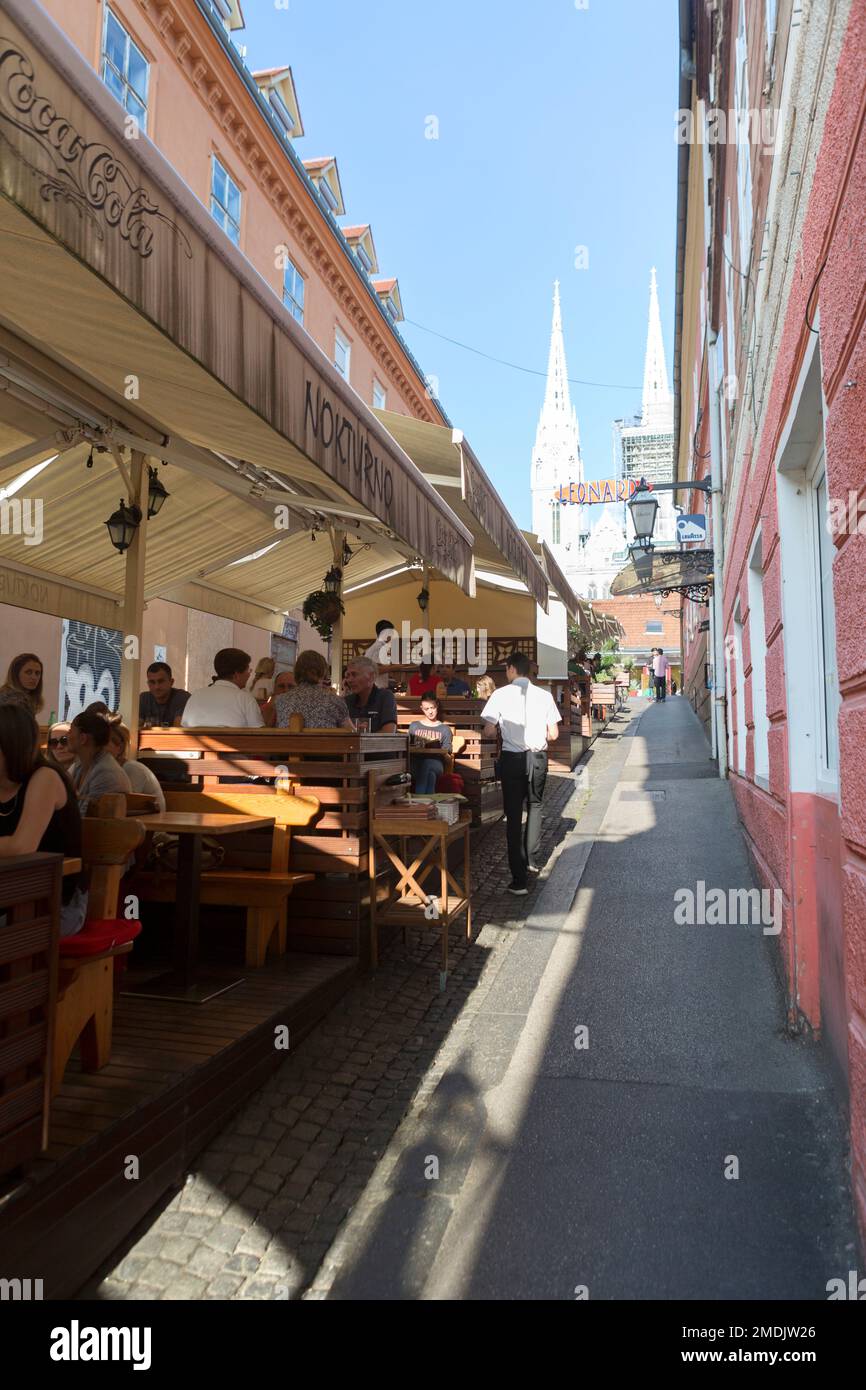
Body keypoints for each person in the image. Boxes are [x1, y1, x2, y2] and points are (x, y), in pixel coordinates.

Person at [0, 702, 87, 936]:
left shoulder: (44, 777)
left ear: (10, 746)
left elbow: (22, 845)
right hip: (12, 897)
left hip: (55, 903)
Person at [481, 651, 562, 895]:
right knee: (535, 806)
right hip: (537, 758)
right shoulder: (545, 695)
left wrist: (500, 730)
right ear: (529, 670)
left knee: (513, 814)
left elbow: (487, 730)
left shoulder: (499, 694)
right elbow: (554, 734)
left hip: (512, 759)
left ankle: (519, 879)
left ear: (511, 669)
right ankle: (532, 859)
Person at [68, 708, 132, 815]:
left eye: (71, 730)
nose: (67, 735)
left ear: (83, 739)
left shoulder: (105, 773)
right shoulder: (79, 767)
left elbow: (85, 818)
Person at [271, 650, 353, 730]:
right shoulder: (334, 701)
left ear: (296, 672)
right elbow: (351, 734)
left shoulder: (280, 700)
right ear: (323, 672)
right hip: (323, 743)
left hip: (288, 743)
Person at [181, 649, 264, 728]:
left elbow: (184, 727)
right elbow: (260, 735)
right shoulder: (245, 699)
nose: (249, 674)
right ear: (236, 674)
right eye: (248, 670)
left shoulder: (196, 695)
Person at [107, 720, 166, 811]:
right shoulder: (111, 769)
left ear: (120, 747)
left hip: (153, 820)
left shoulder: (131, 768)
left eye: (104, 743)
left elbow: (128, 804)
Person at [408, 695, 453, 794]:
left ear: (437, 706)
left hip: (436, 764)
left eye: (432, 708)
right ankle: (429, 803)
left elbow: (447, 752)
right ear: (422, 708)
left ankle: (419, 800)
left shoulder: (444, 729)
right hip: (416, 763)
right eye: (426, 709)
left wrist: (437, 750)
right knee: (430, 776)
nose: (430, 711)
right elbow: (407, 746)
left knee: (427, 763)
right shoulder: (414, 726)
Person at [344, 657, 398, 732]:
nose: (349, 680)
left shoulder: (385, 697)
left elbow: (388, 732)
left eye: (354, 675)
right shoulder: (347, 701)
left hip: (379, 744)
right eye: (348, 675)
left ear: (371, 677)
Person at [138, 662, 190, 727]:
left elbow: (178, 732)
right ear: (148, 683)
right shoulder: (144, 699)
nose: (156, 687)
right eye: (152, 682)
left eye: (161, 681)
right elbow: (133, 729)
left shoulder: (182, 697)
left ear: (171, 682)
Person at [1, 653, 44, 717]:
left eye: (37, 673)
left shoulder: (26, 698)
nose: (34, 677)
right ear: (16, 674)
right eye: (28, 672)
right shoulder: (12, 701)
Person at [364, 619, 398, 690]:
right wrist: (396, 667)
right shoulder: (379, 648)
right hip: (376, 689)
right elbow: (377, 670)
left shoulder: (379, 647)